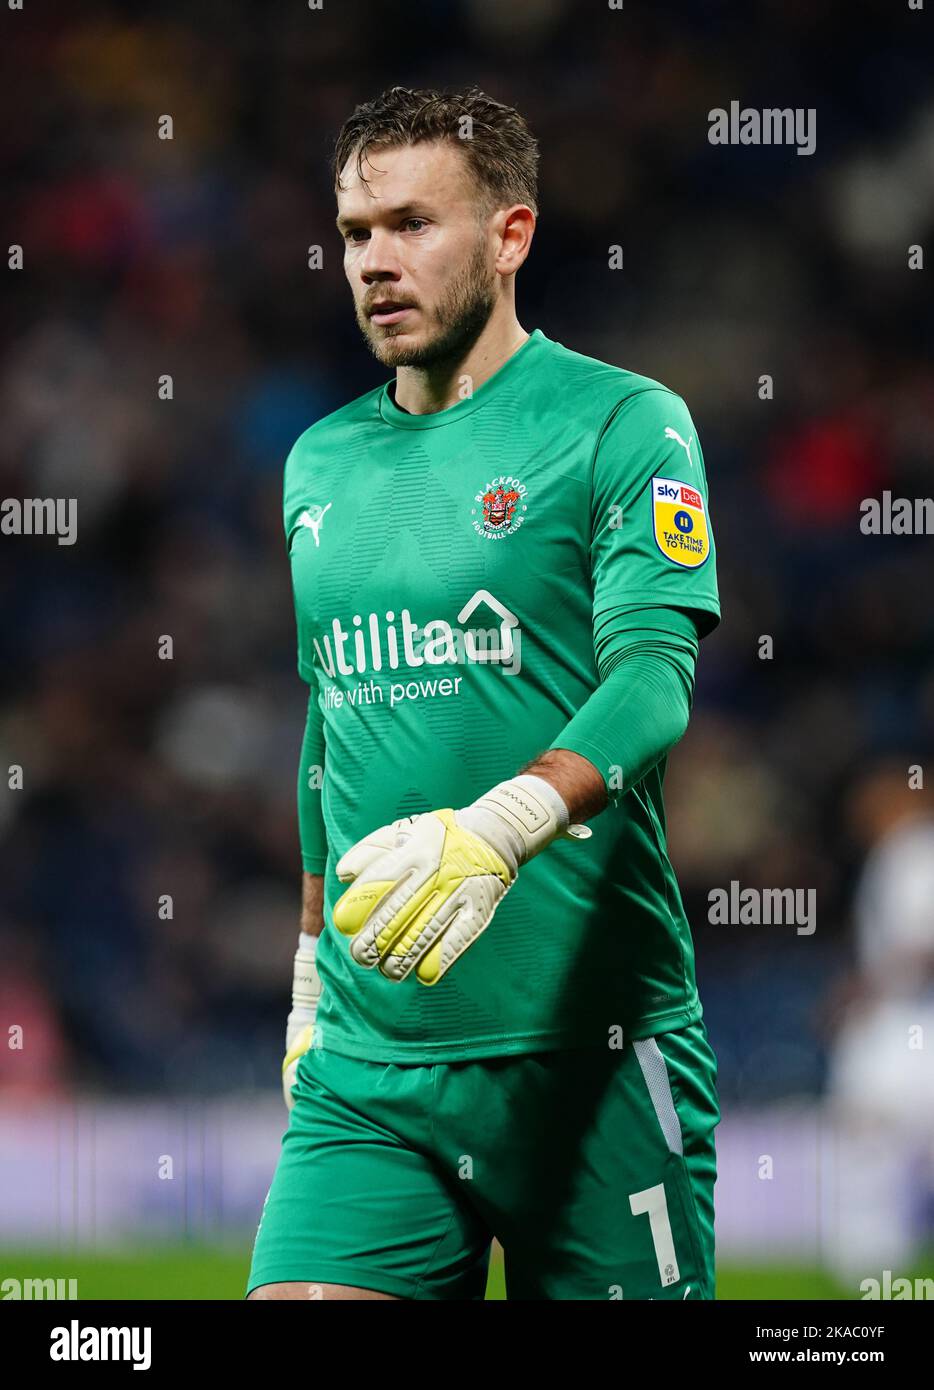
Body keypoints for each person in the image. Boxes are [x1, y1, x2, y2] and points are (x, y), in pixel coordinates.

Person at [247, 84, 721, 1301]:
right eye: (355, 233)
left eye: (412, 224)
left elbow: (652, 682)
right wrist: (308, 979)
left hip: (594, 1054)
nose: (373, 263)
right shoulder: (317, 463)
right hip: (373, 1063)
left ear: (510, 235)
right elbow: (326, 729)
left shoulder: (621, 423)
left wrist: (502, 826)